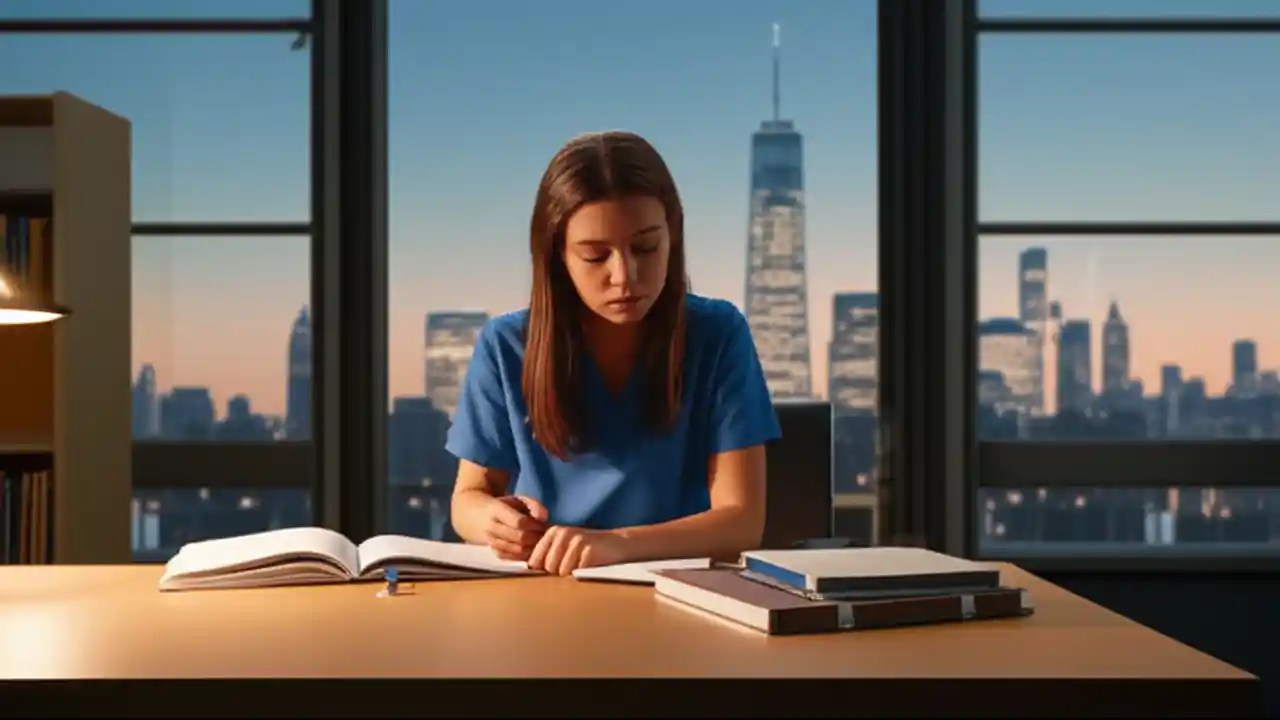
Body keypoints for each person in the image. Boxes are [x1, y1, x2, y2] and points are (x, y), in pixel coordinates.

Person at [446, 130, 781, 576]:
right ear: (558, 258)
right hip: (543, 595)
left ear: (673, 236)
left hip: (680, 595)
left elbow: (741, 522)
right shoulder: (506, 345)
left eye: (645, 248)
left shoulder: (718, 334)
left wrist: (616, 546)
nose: (625, 276)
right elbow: (468, 498)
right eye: (595, 256)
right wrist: (495, 522)